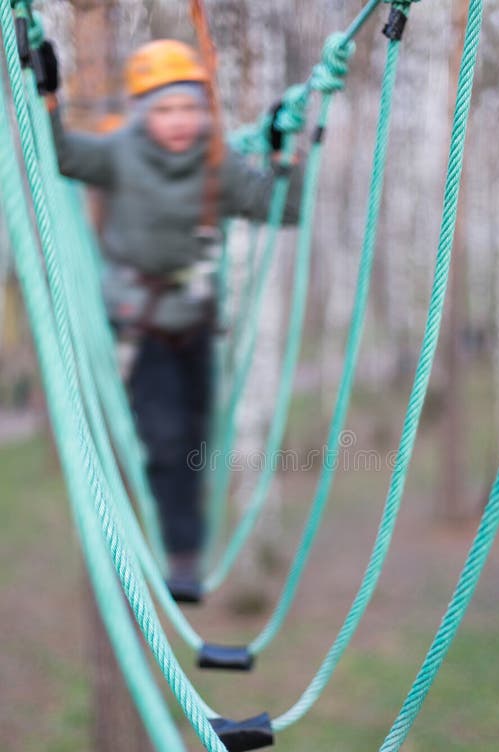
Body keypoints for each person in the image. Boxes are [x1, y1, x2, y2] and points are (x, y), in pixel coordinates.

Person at [42, 39, 304, 603]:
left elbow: (284, 209)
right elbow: (59, 155)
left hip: (197, 327)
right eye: (163, 109)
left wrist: (285, 157)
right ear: (141, 113)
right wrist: (47, 98)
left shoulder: (219, 164)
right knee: (164, 441)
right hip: (142, 330)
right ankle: (178, 555)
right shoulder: (118, 154)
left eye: (189, 107)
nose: (179, 121)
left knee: (192, 443)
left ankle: (184, 544)